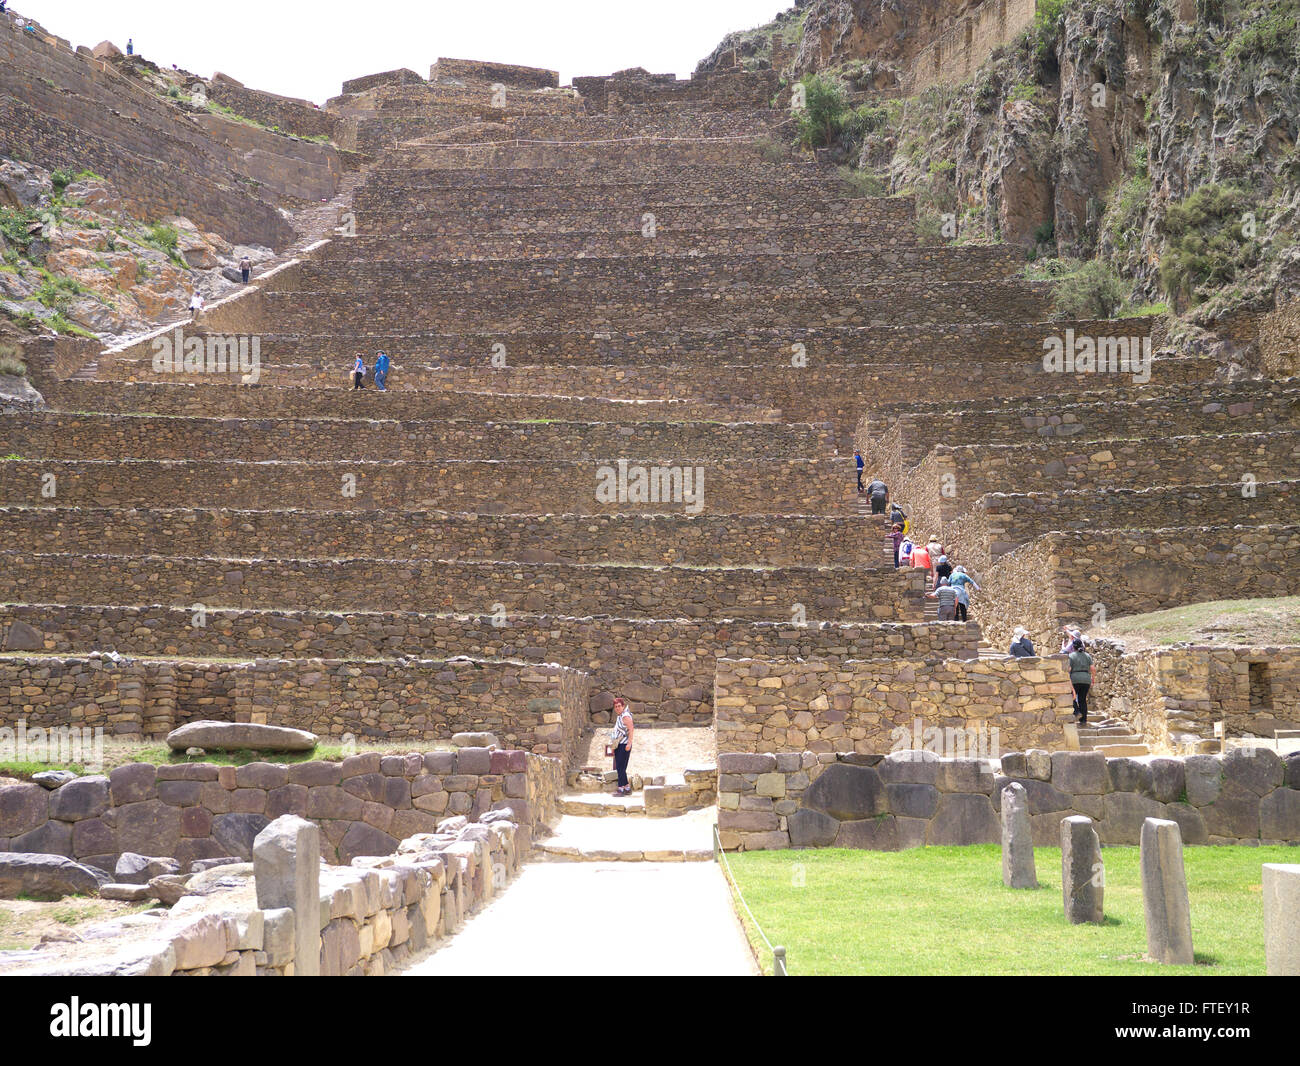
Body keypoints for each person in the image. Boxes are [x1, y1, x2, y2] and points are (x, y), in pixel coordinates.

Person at [610, 696, 634, 796]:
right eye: (616, 706)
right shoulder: (620, 716)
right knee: (621, 768)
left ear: (623, 706)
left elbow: (631, 729)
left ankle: (621, 789)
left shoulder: (625, 716)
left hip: (624, 745)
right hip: (619, 744)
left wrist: (629, 743)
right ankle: (627, 788)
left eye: (619, 706)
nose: (617, 708)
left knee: (620, 767)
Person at [1069, 638, 1094, 724]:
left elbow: (1069, 669)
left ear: (1073, 647)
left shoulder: (1071, 656)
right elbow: (1092, 669)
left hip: (1075, 679)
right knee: (1082, 699)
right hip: (1086, 679)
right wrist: (1092, 679)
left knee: (1072, 697)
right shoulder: (1087, 656)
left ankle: (1077, 711)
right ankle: (1083, 719)